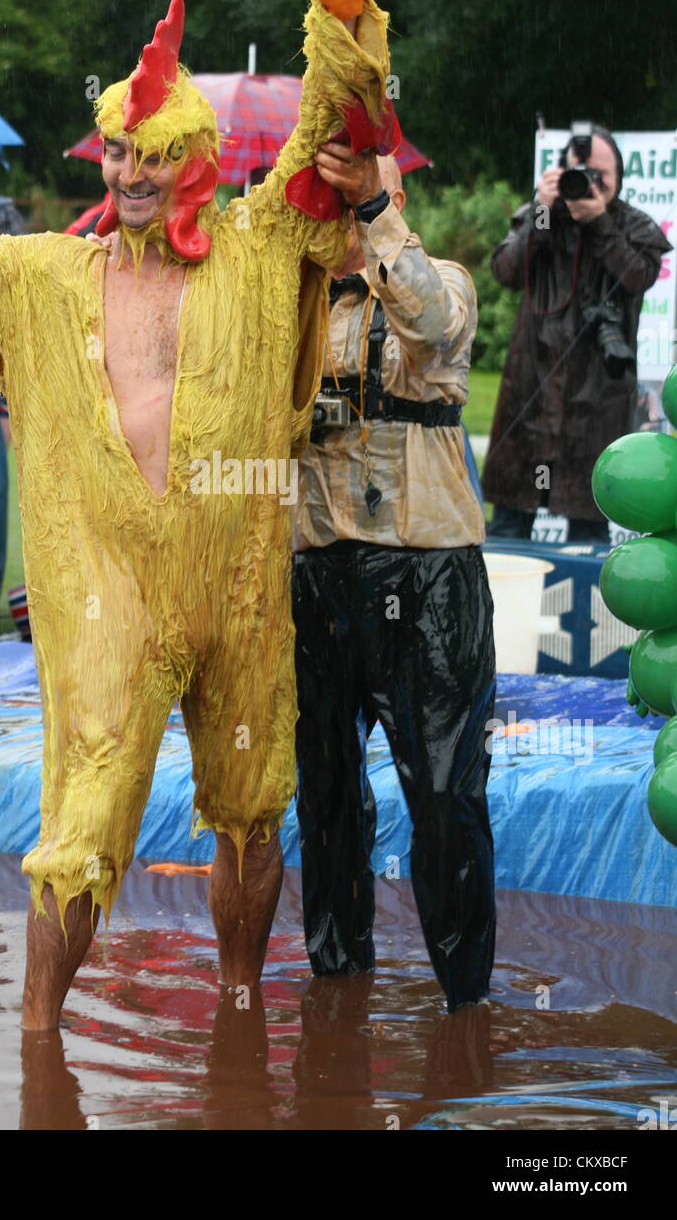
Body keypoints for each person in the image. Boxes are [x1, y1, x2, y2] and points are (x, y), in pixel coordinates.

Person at [0, 0, 392, 1031]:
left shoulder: (258, 243)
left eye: (153, 158)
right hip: (105, 593)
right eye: (116, 154)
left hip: (235, 582)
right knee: (79, 826)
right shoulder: (41, 277)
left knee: (249, 806)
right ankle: (39, 1042)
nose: (129, 175)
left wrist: (338, 9)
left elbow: (333, 133)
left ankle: (237, 1000)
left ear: (194, 165)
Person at [291, 140, 496, 1013]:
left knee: (445, 796)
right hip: (319, 580)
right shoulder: (294, 310)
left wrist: (377, 213)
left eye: (356, 200)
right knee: (327, 796)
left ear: (391, 195)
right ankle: (336, 999)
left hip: (428, 583)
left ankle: (464, 1009)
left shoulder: (442, 282)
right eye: (325, 202)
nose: (334, 219)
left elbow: (438, 330)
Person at [481, 126, 671, 543]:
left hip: (595, 399)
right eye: (579, 173)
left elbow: (638, 275)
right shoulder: (545, 215)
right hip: (530, 391)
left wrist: (600, 222)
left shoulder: (632, 226)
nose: (588, 183)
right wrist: (541, 210)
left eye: (598, 175)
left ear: (619, 176)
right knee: (510, 524)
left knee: (588, 523)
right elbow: (506, 271)